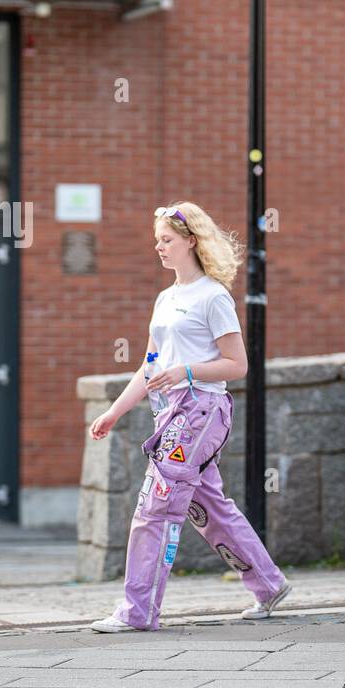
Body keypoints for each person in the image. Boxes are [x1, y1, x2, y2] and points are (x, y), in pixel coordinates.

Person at [88, 201, 291, 632]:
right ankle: (268, 584)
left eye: (167, 240)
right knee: (208, 506)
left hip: (201, 411)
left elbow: (237, 365)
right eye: (157, 240)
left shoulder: (213, 296)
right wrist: (115, 411)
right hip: (170, 412)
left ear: (191, 242)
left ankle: (138, 611)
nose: (159, 247)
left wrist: (186, 371)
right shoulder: (166, 298)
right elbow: (149, 366)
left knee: (155, 507)